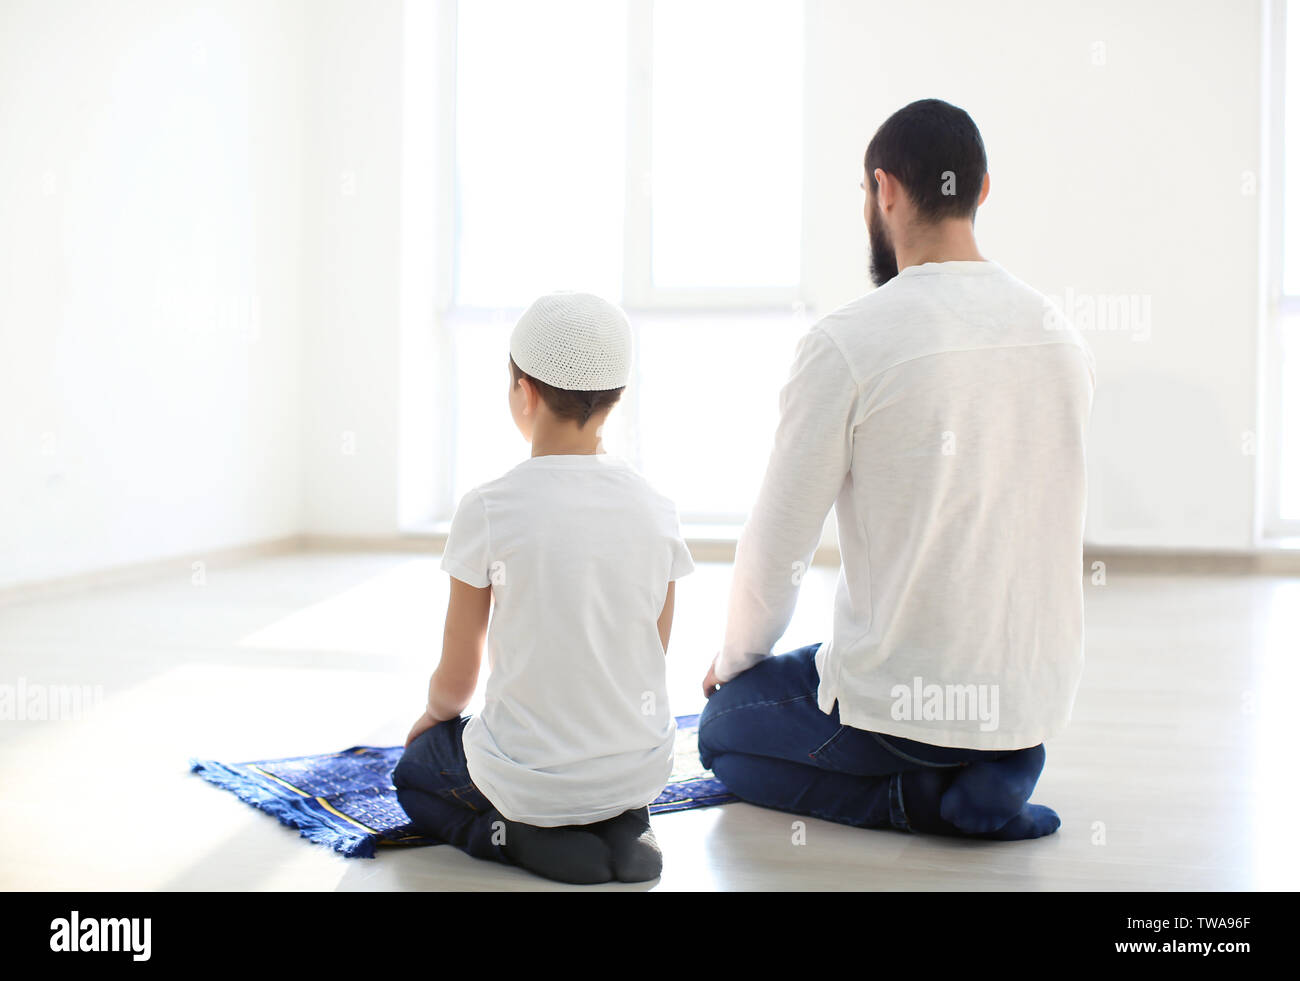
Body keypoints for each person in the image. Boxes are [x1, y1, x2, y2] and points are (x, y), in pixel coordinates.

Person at [698, 99, 1096, 840]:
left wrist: (734, 657)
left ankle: (920, 798)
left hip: (905, 709)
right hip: (1030, 698)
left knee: (721, 732)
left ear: (883, 190)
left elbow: (777, 548)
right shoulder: (1060, 335)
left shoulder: (849, 341)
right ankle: (999, 764)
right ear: (981, 191)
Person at [393, 292, 694, 883]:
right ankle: (625, 823)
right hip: (638, 765)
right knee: (604, 767)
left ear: (523, 390)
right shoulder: (657, 508)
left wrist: (433, 719)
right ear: (618, 396)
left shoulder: (488, 508)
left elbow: (459, 677)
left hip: (528, 778)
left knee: (416, 772)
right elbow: (651, 652)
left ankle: (521, 837)